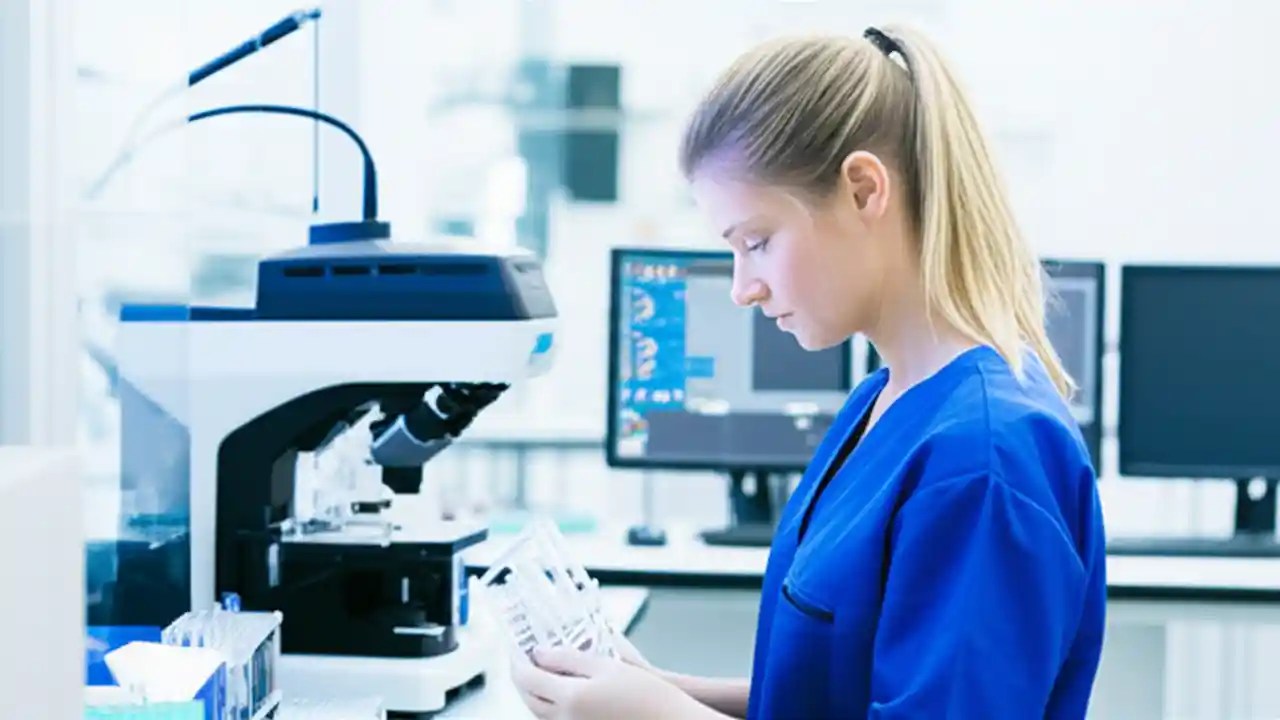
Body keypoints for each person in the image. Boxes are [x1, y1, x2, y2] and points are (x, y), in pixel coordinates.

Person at [511, 23, 1107, 720]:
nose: (744, 289)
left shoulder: (983, 458)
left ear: (863, 190)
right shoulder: (882, 402)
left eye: (758, 242)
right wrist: (658, 687)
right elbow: (829, 693)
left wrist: (657, 716)